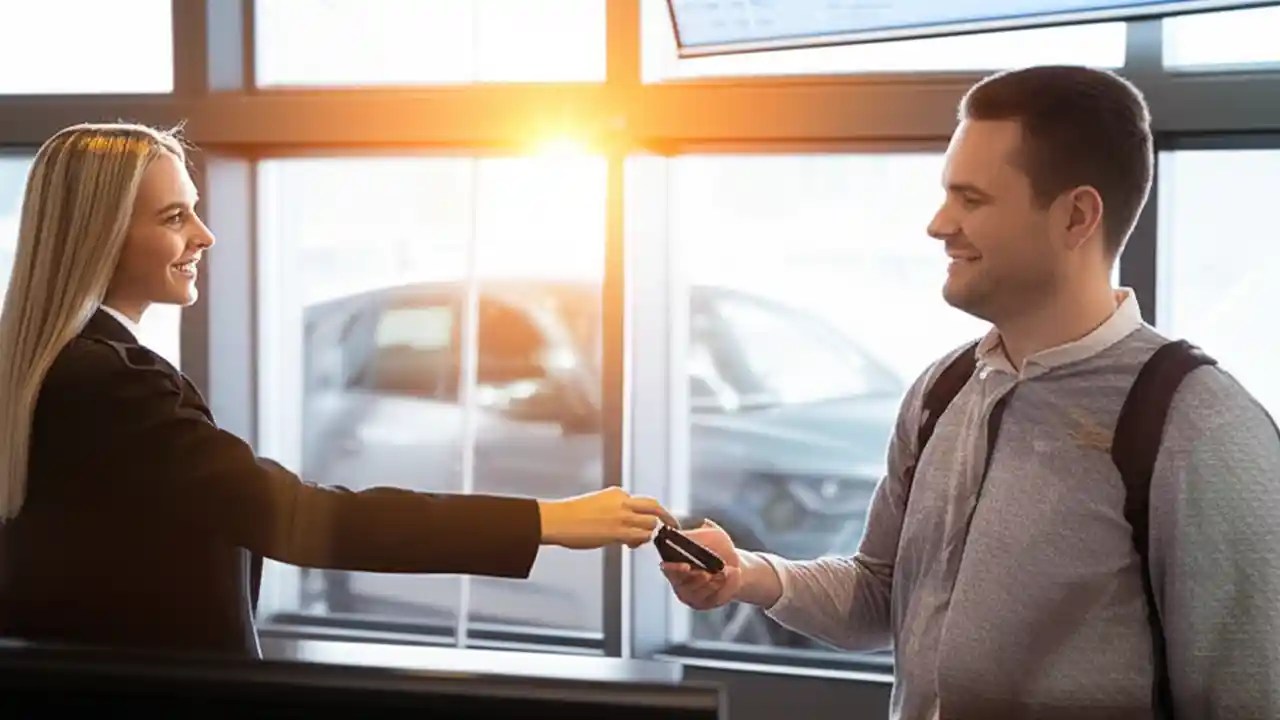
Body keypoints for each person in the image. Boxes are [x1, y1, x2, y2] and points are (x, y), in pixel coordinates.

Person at [663, 65, 1280, 718]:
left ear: (1076, 216)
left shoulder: (1200, 427)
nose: (938, 224)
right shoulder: (943, 391)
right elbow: (880, 594)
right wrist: (749, 575)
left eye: (972, 200)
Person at [0, 122, 676, 659]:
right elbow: (297, 517)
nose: (204, 236)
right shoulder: (107, 382)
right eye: (174, 217)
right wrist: (546, 521)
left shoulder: (64, 367)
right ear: (101, 235)